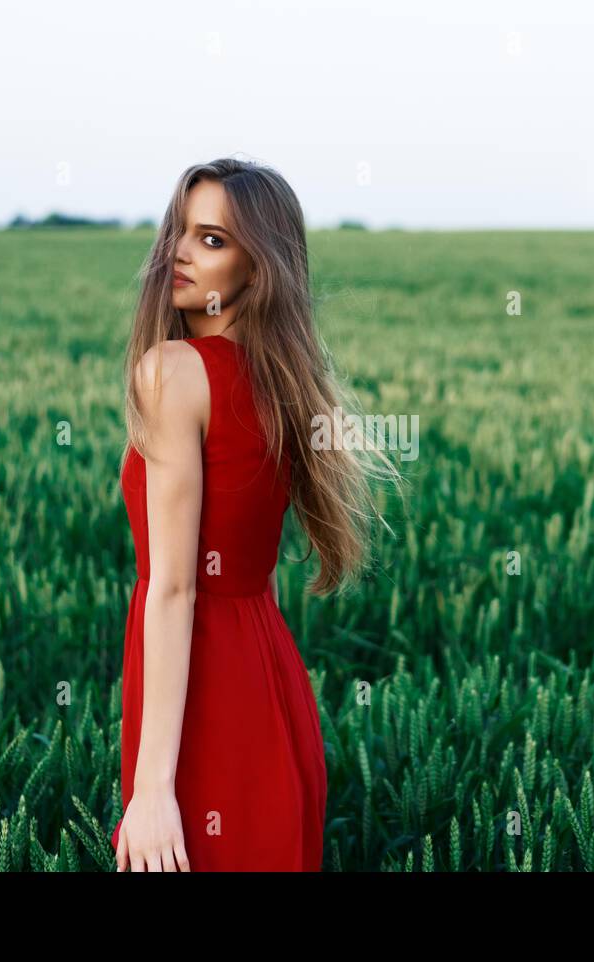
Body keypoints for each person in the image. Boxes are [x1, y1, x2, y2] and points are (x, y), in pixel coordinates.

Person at [111, 158, 401, 871]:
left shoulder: (172, 373)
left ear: (258, 268)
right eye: (180, 230)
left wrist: (153, 790)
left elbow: (176, 587)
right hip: (270, 693)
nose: (179, 251)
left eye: (212, 239)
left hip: (201, 709)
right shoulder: (281, 385)